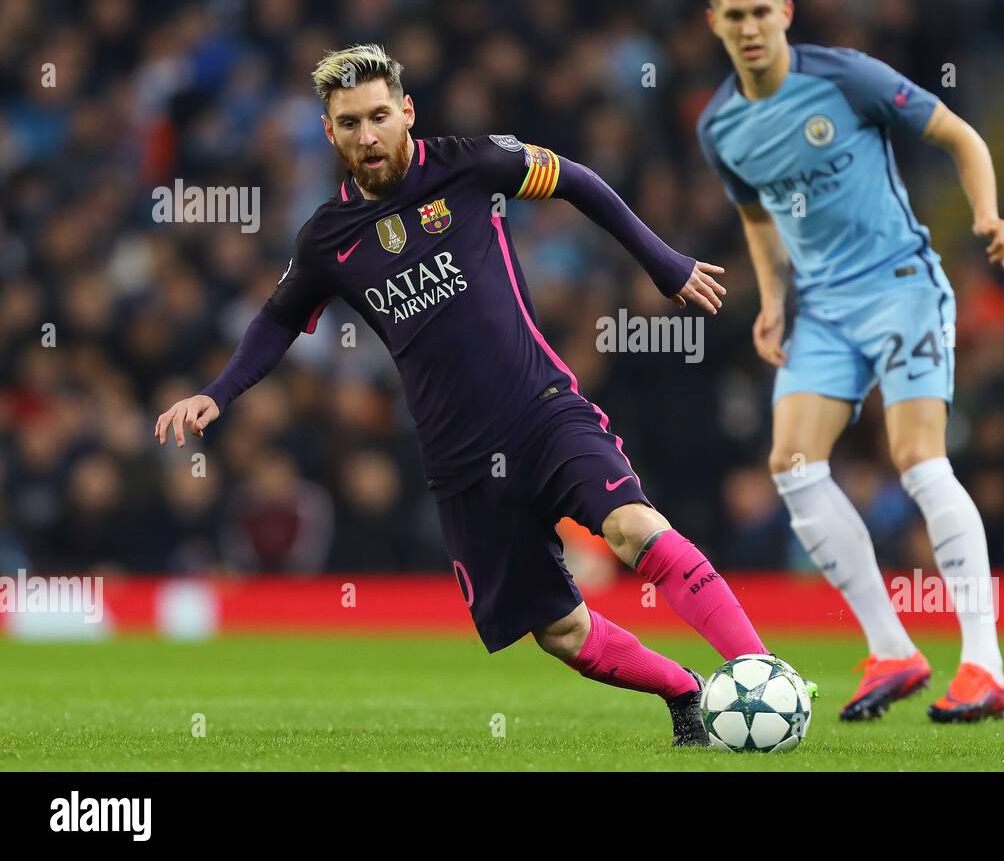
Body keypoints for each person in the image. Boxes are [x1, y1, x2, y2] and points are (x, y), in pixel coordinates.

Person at [155, 43, 771, 745]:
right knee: (561, 631)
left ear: (406, 112)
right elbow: (277, 320)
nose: (368, 135)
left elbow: (577, 180)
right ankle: (686, 691)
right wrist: (218, 393)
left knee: (631, 526)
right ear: (330, 132)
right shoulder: (327, 240)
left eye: (380, 116)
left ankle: (759, 670)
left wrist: (664, 264)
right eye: (350, 122)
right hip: (460, 462)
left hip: (542, 410)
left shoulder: (474, 165)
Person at [696, 0, 1004, 723]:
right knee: (793, 464)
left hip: (901, 287)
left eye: (760, 12)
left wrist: (986, 215)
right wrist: (773, 299)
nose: (748, 28)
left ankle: (984, 663)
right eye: (733, 16)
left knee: (917, 457)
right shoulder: (720, 129)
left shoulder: (847, 78)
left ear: (786, 13)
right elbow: (756, 215)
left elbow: (962, 138)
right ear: (715, 22)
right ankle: (893, 649)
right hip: (825, 311)